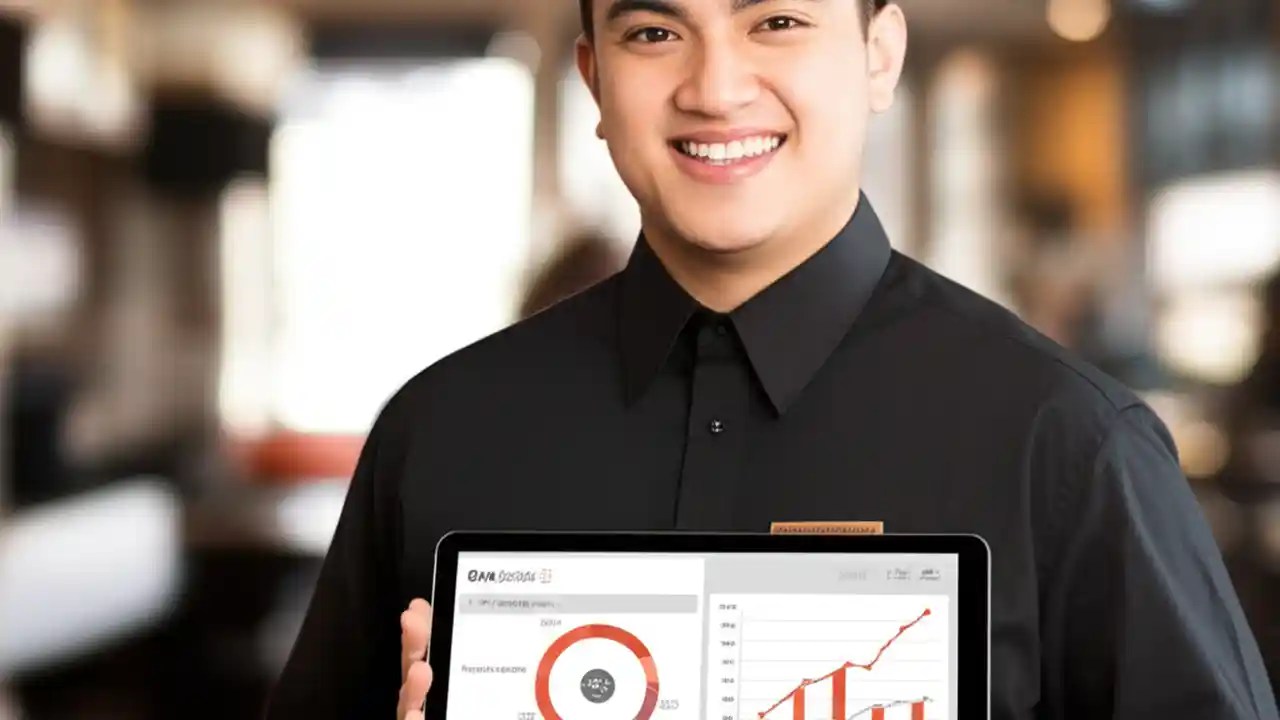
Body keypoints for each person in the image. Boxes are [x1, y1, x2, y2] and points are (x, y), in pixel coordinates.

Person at [265, 0, 1280, 718]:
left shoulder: (1067, 449)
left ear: (878, 53)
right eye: (655, 31)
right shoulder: (440, 433)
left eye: (775, 21)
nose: (713, 87)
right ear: (592, 76)